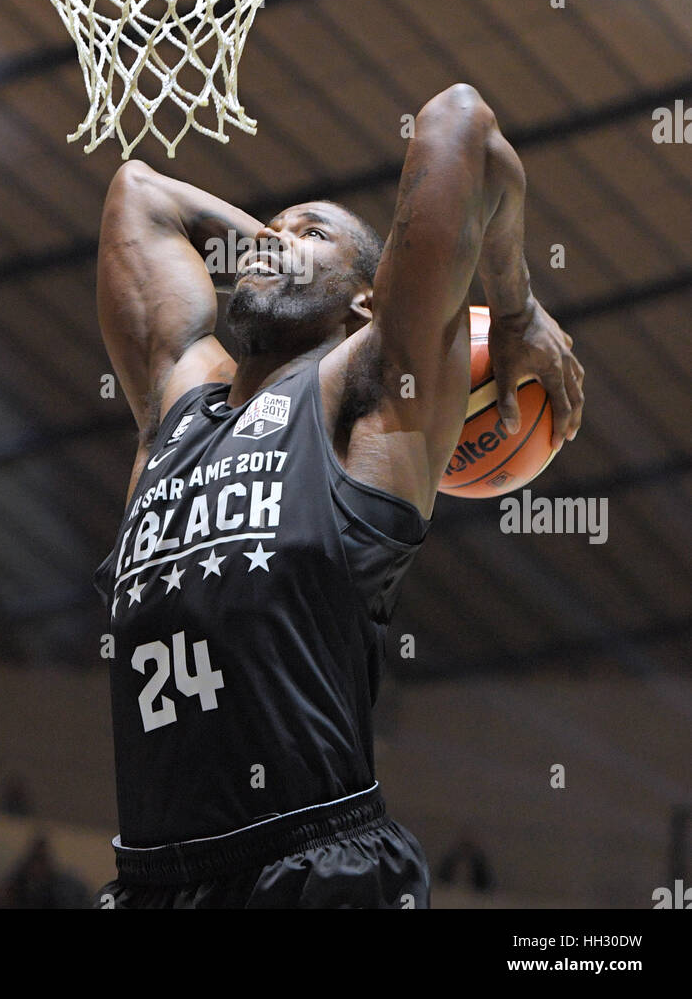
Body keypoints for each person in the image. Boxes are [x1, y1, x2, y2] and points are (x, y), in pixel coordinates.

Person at [91, 82, 584, 909]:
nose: (274, 241)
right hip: (152, 879)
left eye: (309, 230)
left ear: (369, 301)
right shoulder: (178, 405)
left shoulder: (368, 391)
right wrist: (280, 251)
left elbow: (462, 120)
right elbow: (139, 191)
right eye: (271, 230)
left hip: (313, 868)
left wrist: (516, 303)